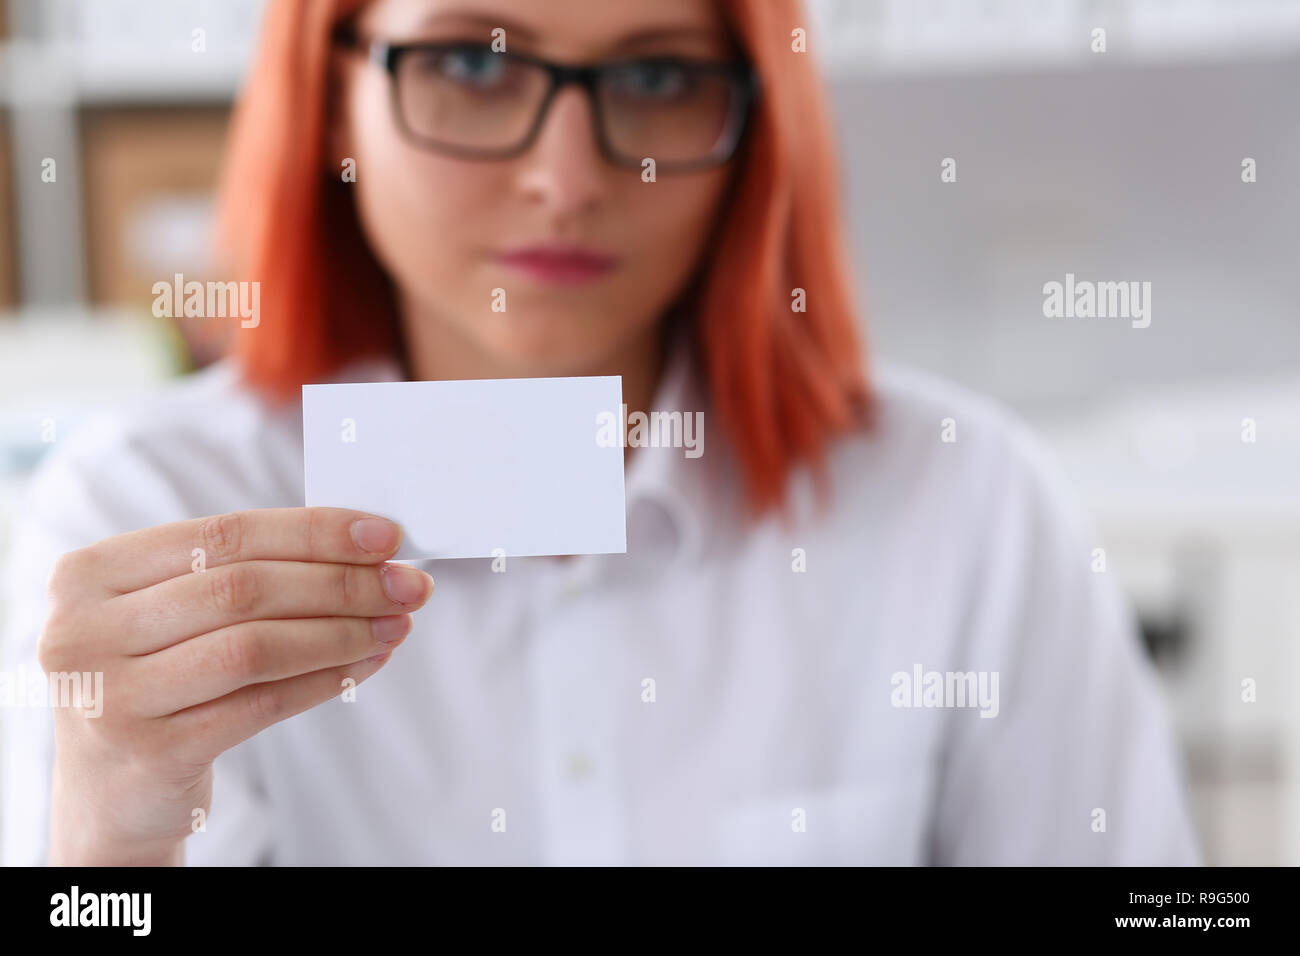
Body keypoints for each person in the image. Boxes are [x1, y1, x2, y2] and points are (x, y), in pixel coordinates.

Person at [0, 0, 1200, 866]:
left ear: (754, 125)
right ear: (330, 100)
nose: (565, 175)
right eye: (472, 60)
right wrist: (105, 841)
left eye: (657, 77)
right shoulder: (136, 516)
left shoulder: (962, 502)